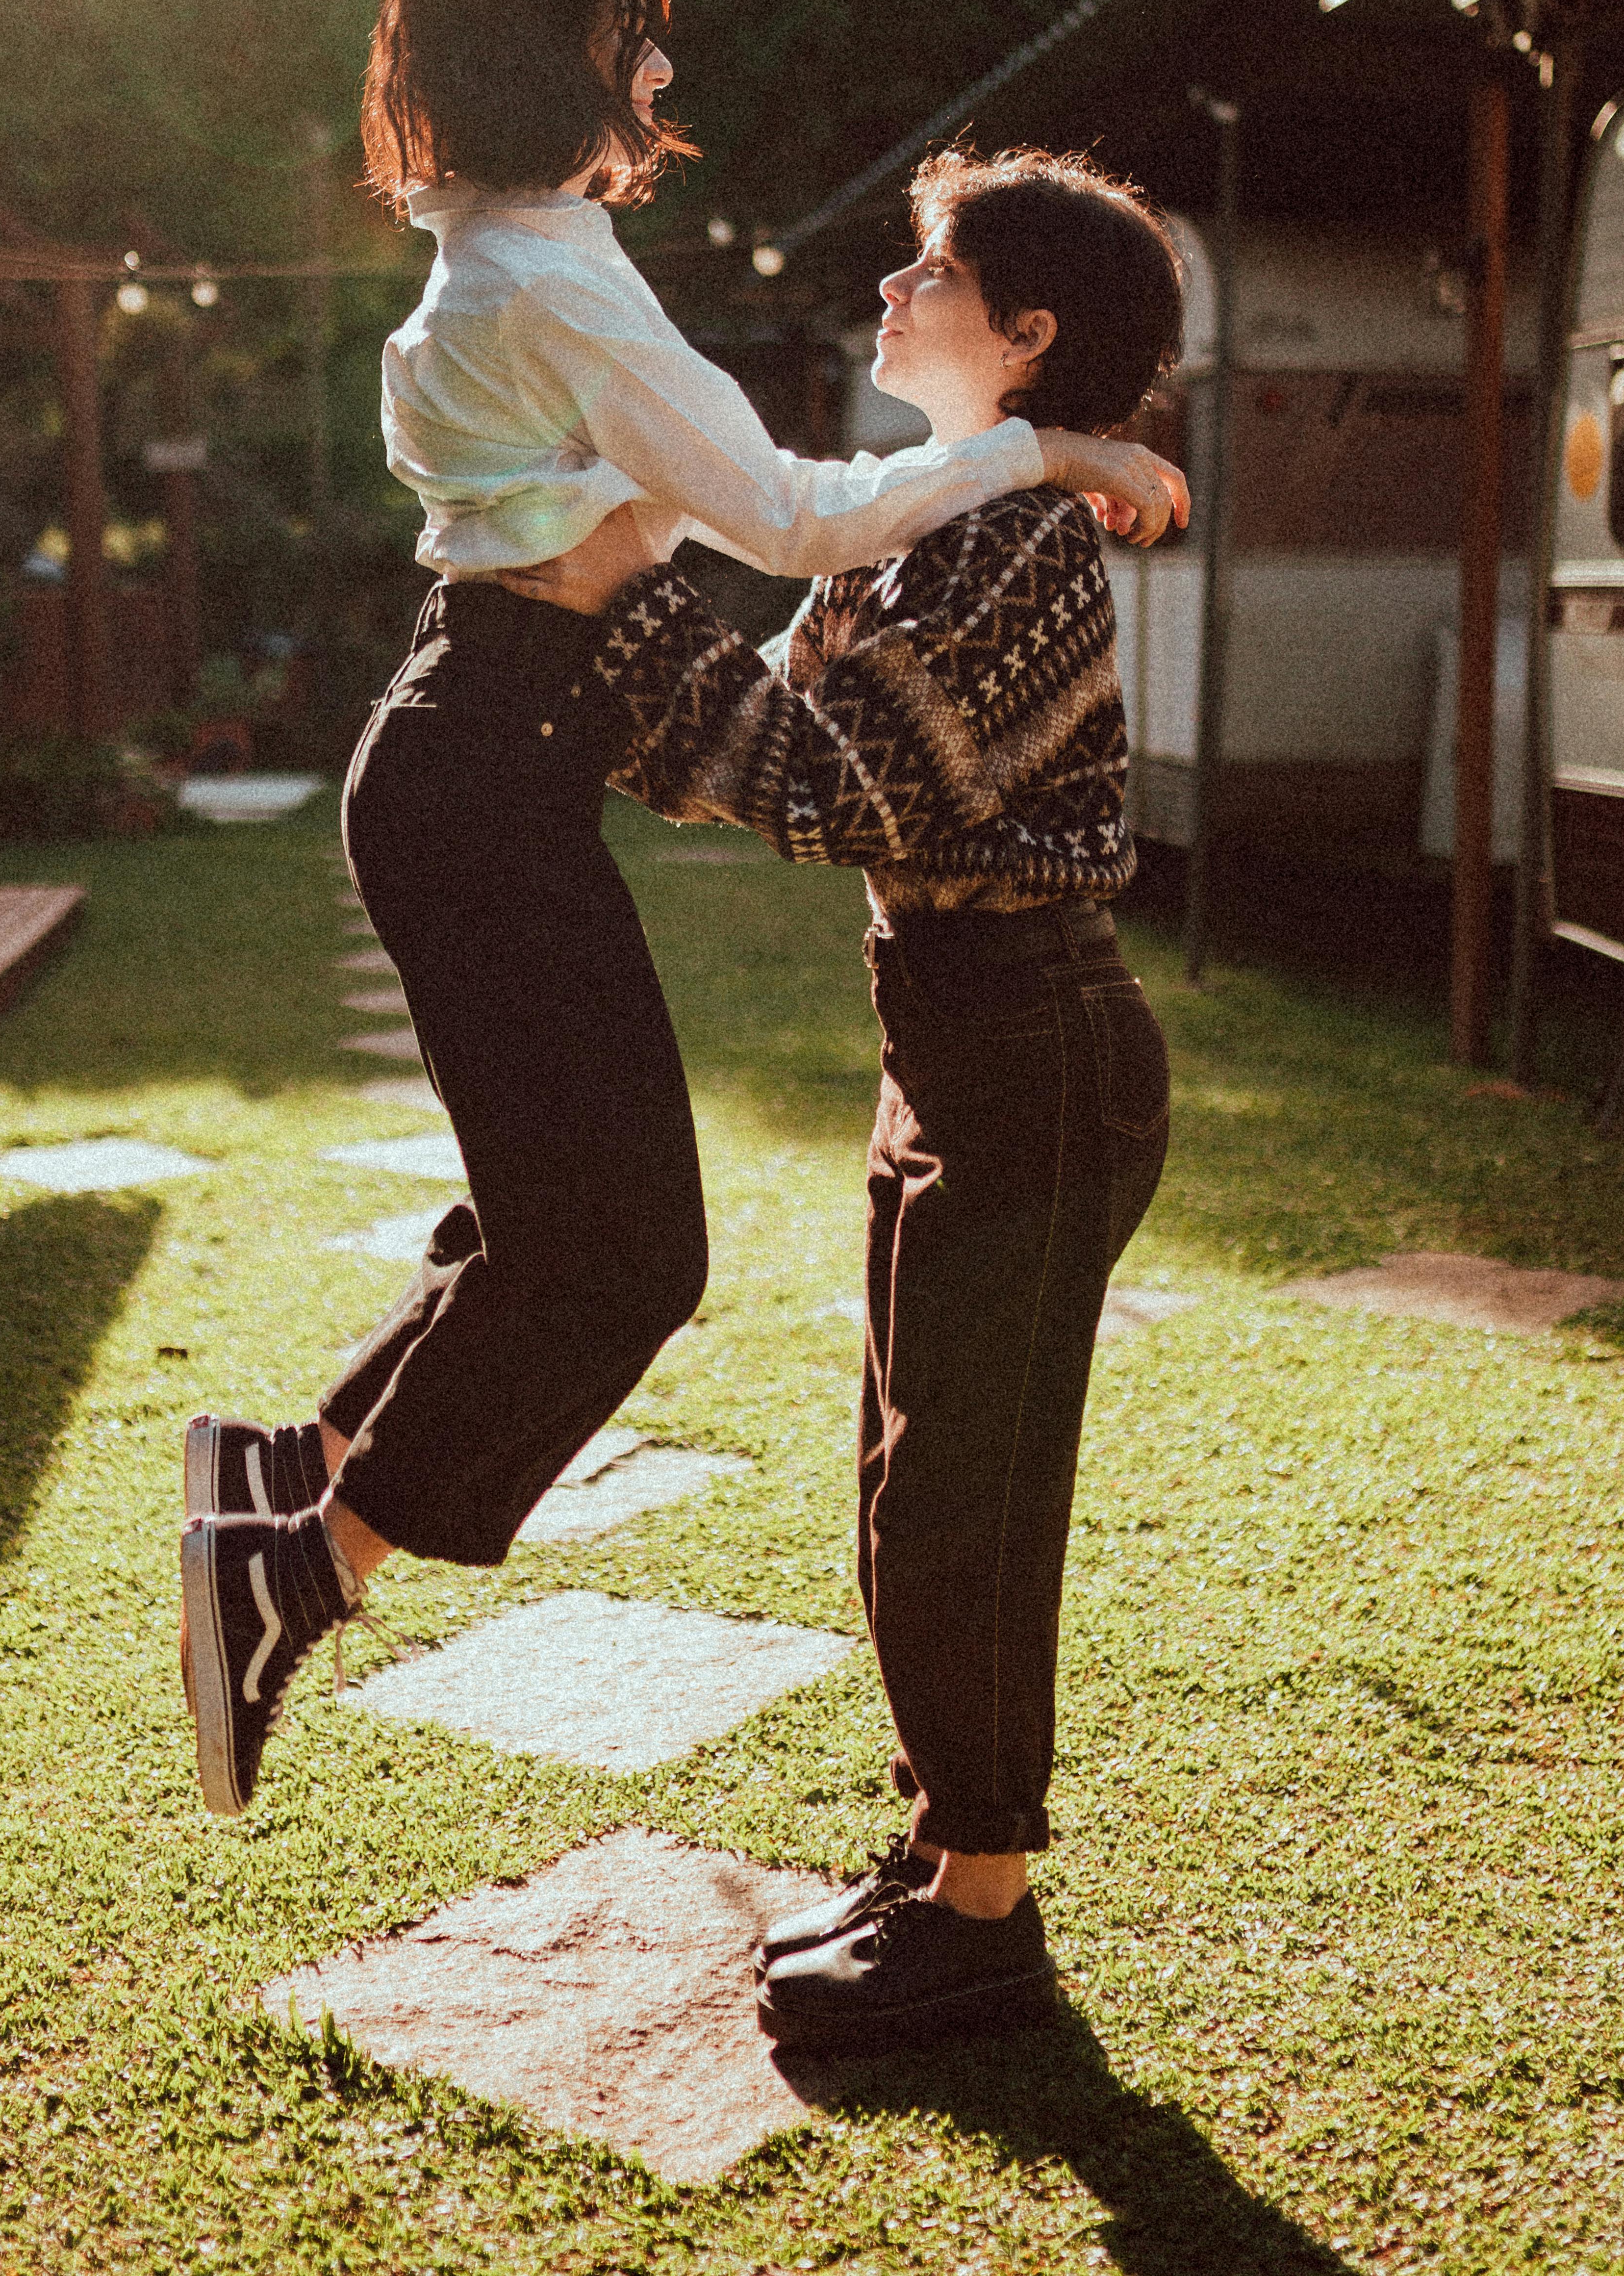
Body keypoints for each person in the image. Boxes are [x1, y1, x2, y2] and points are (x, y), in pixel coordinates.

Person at [177, 0, 1186, 1820]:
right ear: (552, 48)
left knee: (561, 1226)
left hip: (483, 758)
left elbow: (762, 636)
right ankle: (288, 1560)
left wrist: (679, 578)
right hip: (487, 770)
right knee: (617, 1251)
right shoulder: (551, 274)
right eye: (629, 25)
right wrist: (1048, 448)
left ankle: (278, 1476)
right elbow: (798, 524)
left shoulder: (510, 248)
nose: (657, 63)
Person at [526, 146, 1184, 2053]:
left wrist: (624, 590)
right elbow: (777, 730)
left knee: (963, 1490)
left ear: (1026, 333)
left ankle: (980, 1913)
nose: (887, 297)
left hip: (1033, 1050)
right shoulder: (941, 517)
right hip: (962, 1036)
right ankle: (942, 1854)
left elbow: (829, 791)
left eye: (925, 273)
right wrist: (634, 586)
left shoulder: (1005, 546)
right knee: (909, 1480)